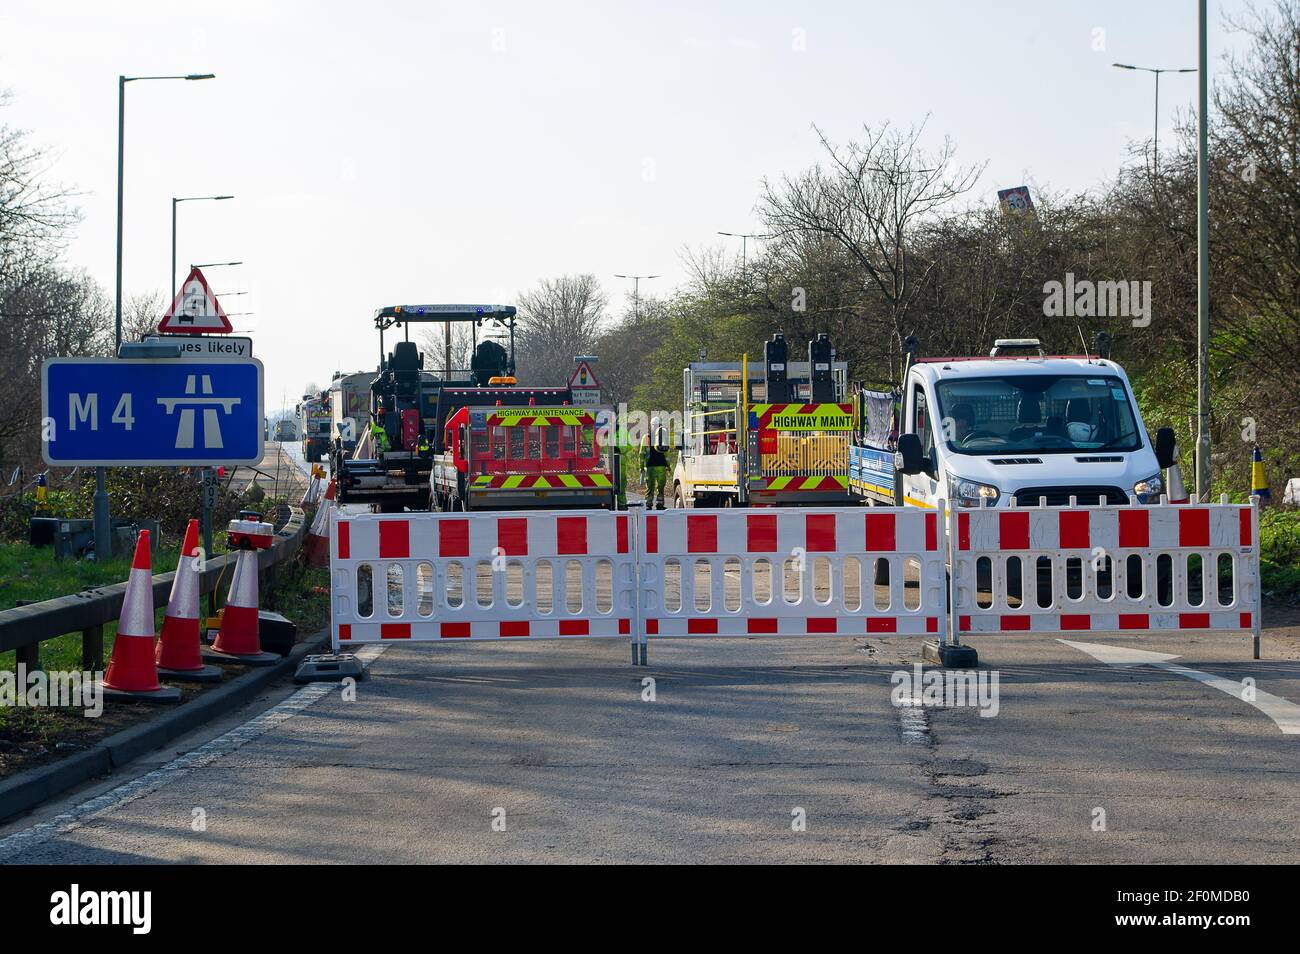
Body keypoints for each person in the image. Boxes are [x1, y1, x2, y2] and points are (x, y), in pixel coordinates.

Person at [641, 416, 669, 510]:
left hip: (653, 466)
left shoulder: (647, 437)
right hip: (657, 466)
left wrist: (641, 467)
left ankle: (653, 504)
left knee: (654, 487)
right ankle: (655, 504)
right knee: (656, 487)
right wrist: (668, 466)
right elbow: (666, 453)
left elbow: (641, 453)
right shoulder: (658, 437)